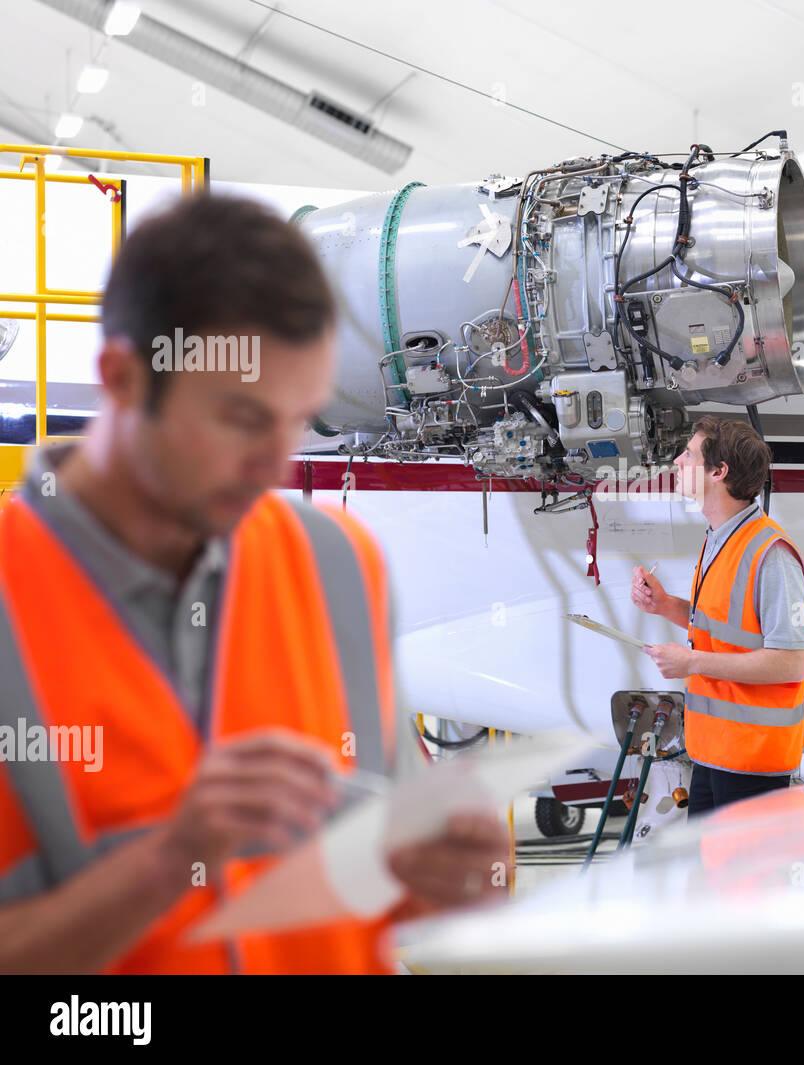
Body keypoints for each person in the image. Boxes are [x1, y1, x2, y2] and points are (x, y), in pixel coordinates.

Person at [0, 193, 509, 974]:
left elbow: (383, 886)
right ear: (123, 379)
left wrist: (453, 881)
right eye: (241, 418)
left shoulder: (337, 566)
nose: (275, 467)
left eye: (297, 421)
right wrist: (170, 862)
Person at [631, 415, 804, 817]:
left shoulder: (771, 554)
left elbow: (792, 661)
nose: (677, 461)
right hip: (714, 752)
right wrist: (664, 604)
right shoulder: (720, 538)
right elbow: (723, 629)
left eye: (689, 454)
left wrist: (691, 662)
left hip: (752, 760)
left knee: (743, 879)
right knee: (712, 876)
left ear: (719, 471)